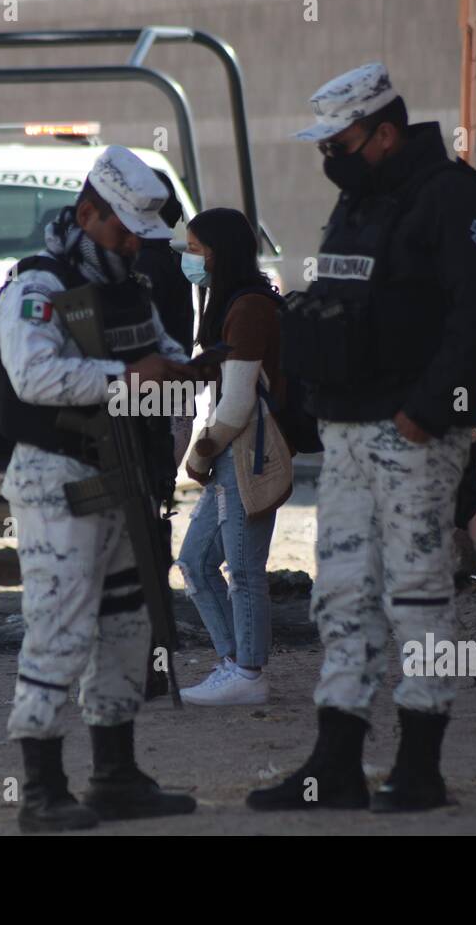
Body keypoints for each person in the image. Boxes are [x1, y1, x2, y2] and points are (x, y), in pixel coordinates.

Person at [247, 63, 476, 812]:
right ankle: (335, 764)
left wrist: (425, 411)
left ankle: (420, 766)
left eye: (341, 141)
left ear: (385, 132)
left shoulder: (456, 202)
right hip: (349, 435)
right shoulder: (360, 203)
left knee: (417, 593)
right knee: (342, 594)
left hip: (413, 437)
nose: (330, 157)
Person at [0, 145, 207, 832]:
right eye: (121, 233)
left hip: (125, 479)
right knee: (59, 627)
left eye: (142, 240)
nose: (134, 250)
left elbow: (160, 350)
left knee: (125, 628)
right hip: (60, 480)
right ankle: (42, 789)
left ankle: (115, 775)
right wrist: (128, 381)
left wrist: (186, 370)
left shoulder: (129, 287)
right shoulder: (37, 286)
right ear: (87, 213)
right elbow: (36, 378)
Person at [176, 208, 286, 706]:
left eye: (196, 248)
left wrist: (201, 453)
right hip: (232, 453)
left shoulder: (249, 308)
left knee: (243, 569)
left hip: (247, 454)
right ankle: (233, 661)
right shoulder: (229, 304)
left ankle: (249, 672)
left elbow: (238, 402)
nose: (189, 258)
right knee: (196, 562)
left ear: (219, 251)